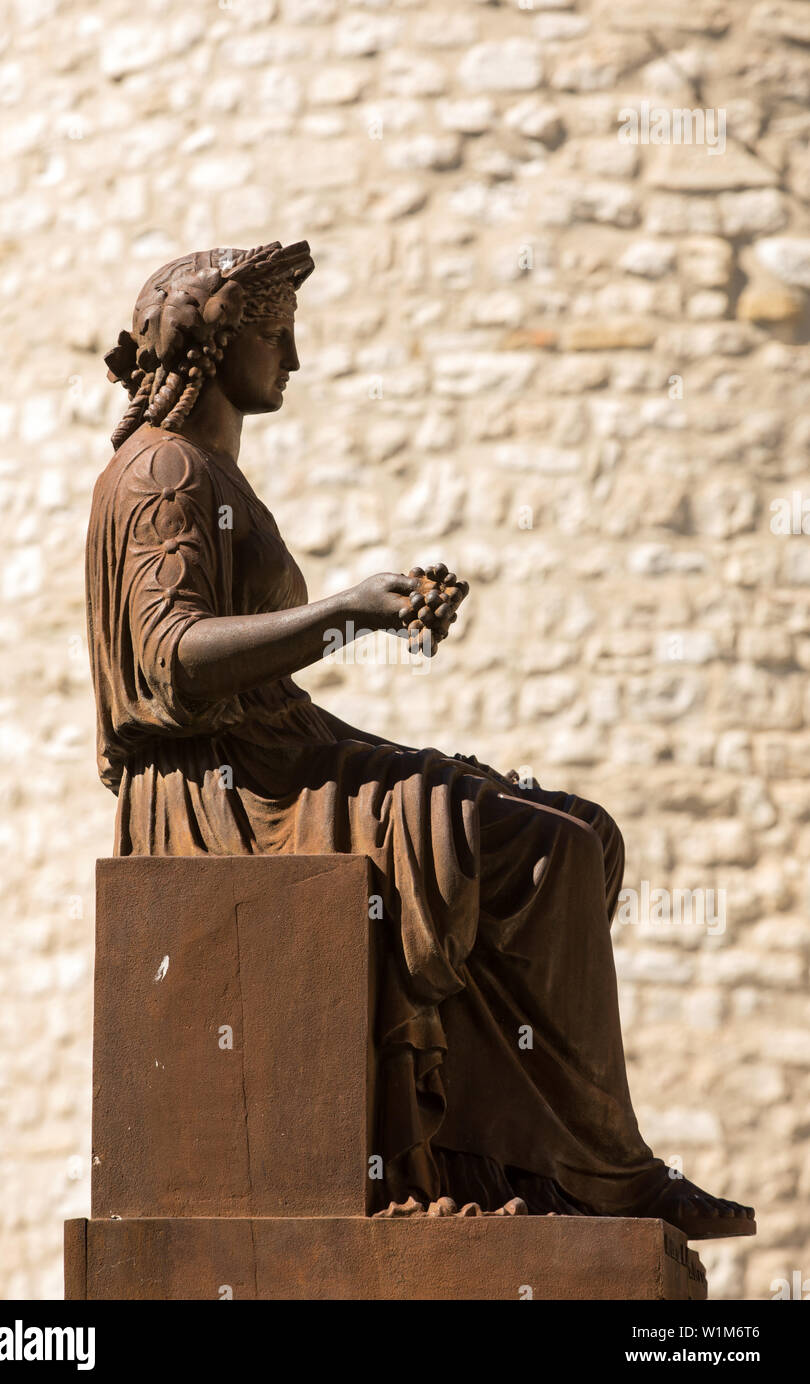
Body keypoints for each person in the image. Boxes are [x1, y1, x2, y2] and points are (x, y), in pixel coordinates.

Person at [86, 241, 754, 1237]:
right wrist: (344, 610)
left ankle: (510, 1162)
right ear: (221, 340)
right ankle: (591, 1175)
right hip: (231, 795)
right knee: (548, 850)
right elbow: (172, 657)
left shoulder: (199, 468)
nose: (295, 361)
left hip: (281, 759)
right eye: (278, 334)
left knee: (575, 834)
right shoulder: (165, 475)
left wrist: (363, 622)